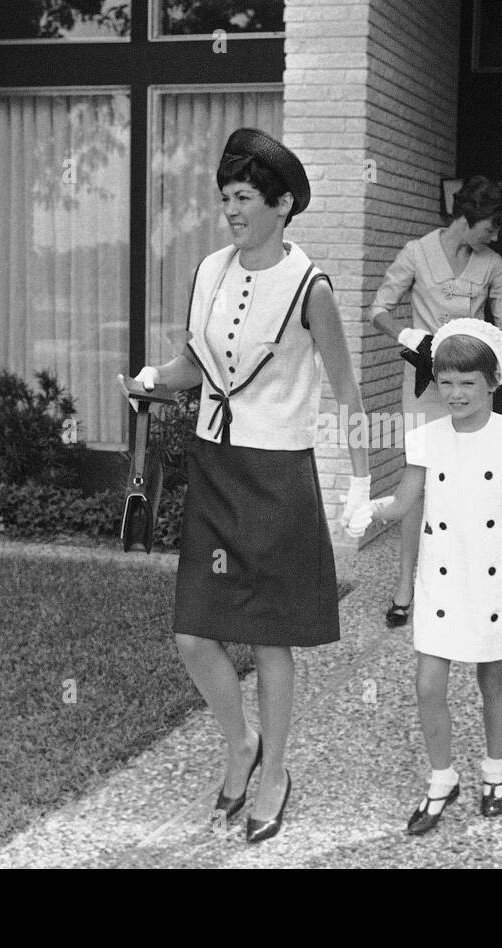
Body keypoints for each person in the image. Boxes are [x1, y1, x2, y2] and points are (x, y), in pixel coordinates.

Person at [135, 128, 372, 844]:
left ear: (281, 205)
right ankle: (240, 745)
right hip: (213, 468)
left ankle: (275, 774)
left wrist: (361, 486)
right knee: (192, 635)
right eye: (225, 199)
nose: (230, 211)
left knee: (271, 641)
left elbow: (347, 392)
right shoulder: (209, 270)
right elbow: (194, 365)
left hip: (276, 477)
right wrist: (151, 379)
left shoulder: (311, 288)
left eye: (243, 198)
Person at [351, 317, 502, 836]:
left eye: (468, 382)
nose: (456, 393)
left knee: (492, 679)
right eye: (446, 382)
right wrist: (367, 510)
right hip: (443, 573)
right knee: (427, 684)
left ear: (492, 383)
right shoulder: (426, 439)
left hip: (492, 573)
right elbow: (404, 504)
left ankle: (496, 773)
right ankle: (442, 778)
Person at [367, 176, 502, 629]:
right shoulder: (416, 252)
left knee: (471, 481)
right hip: (425, 383)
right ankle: (406, 585)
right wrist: (402, 332)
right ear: (468, 216)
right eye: (491, 226)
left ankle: (467, 582)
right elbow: (378, 307)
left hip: (473, 384)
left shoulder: (491, 263)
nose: (495, 236)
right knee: (418, 479)